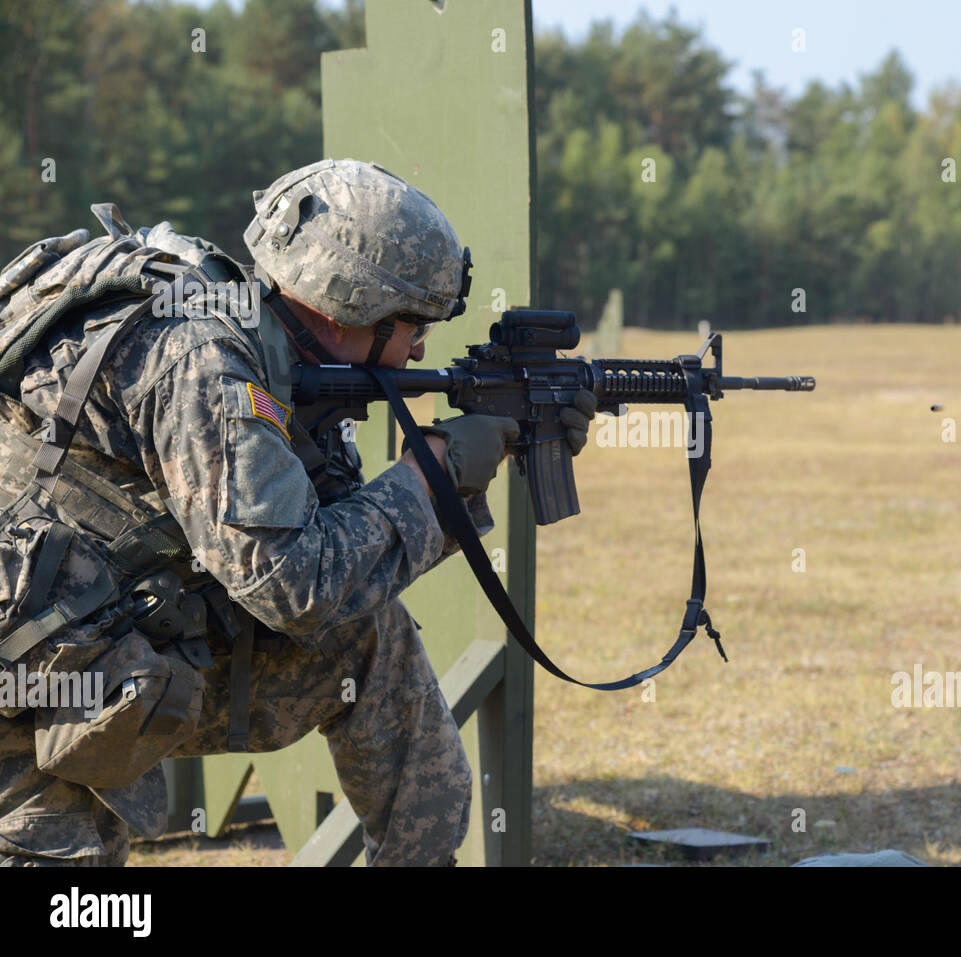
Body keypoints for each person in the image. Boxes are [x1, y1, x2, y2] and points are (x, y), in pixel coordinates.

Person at [0, 158, 595, 866]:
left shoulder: (270, 351)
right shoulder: (202, 361)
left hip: (101, 641)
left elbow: (339, 557)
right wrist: (431, 474)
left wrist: (471, 471)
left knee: (371, 638)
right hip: (31, 685)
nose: (420, 348)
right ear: (353, 302)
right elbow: (293, 584)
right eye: (412, 323)